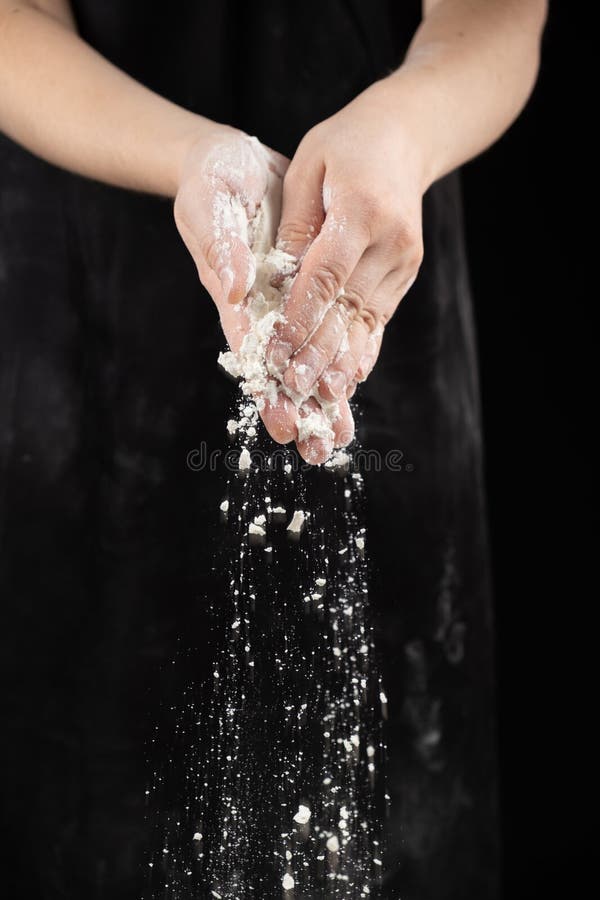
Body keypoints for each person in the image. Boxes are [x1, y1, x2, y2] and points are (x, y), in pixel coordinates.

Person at [0, 2, 547, 898]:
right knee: (81, 783)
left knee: (389, 790)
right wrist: (189, 154)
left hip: (369, 256)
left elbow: (498, 18)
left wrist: (408, 123)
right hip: (84, 289)